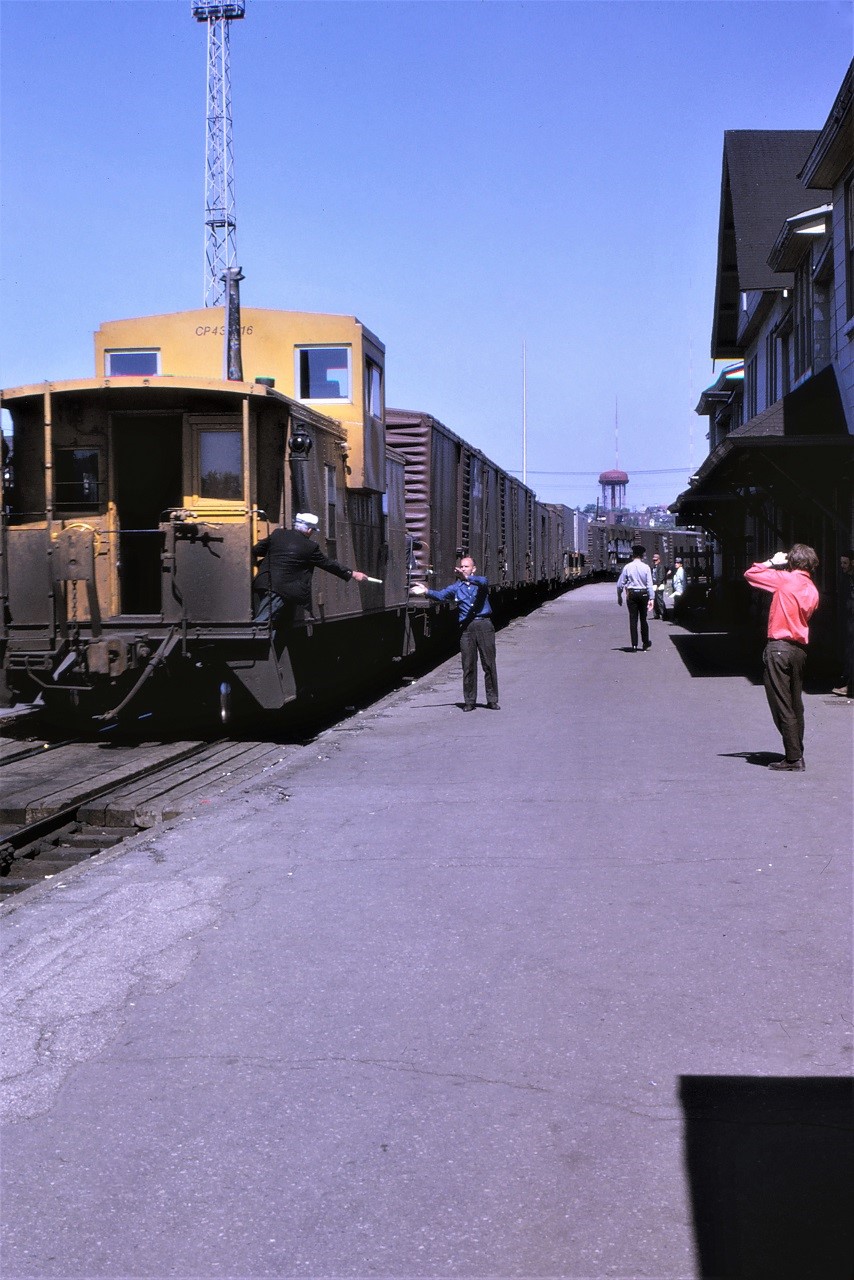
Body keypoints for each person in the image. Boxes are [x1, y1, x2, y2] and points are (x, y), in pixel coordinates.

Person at [744, 545, 820, 771]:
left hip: (779, 646)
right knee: (796, 703)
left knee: (781, 703)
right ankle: (797, 750)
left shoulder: (785, 579)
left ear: (791, 562)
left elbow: (751, 574)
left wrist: (771, 561)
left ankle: (793, 757)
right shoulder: (812, 588)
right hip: (799, 649)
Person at [411, 556, 499, 710]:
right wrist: (426, 591)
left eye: (467, 566)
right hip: (467, 628)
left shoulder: (480, 584)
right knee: (468, 664)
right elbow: (441, 595)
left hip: (484, 624)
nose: (463, 569)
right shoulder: (456, 587)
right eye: (462, 566)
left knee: (488, 663)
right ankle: (469, 701)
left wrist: (468, 578)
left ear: (474, 569)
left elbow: (484, 582)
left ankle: (492, 699)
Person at [252, 512, 368, 624]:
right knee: (261, 623)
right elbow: (328, 564)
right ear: (308, 530)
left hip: (263, 583)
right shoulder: (310, 547)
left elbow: (257, 550)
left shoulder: (277, 534)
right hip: (281, 591)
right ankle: (251, 643)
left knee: (276, 624)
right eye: (313, 530)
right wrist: (353, 574)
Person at [616, 546, 654, 650]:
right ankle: (645, 642)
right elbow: (649, 585)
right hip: (643, 594)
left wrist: (619, 596)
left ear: (633, 555)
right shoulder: (646, 567)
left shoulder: (627, 567)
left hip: (632, 594)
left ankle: (634, 644)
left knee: (633, 619)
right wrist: (652, 599)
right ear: (642, 555)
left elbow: (620, 584)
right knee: (643, 619)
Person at [832, 550, 854, 698]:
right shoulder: (846, 578)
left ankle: (850, 687)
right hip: (848, 620)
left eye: (845, 563)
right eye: (841, 563)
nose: (842, 566)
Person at [651, 552, 668, 620]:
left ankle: (664, 614)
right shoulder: (653, 567)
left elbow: (661, 576)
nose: (654, 561)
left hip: (659, 585)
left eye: (656, 560)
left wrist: (658, 585)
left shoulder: (661, 567)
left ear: (659, 560)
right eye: (654, 560)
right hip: (654, 585)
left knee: (660, 600)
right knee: (654, 600)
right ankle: (656, 614)